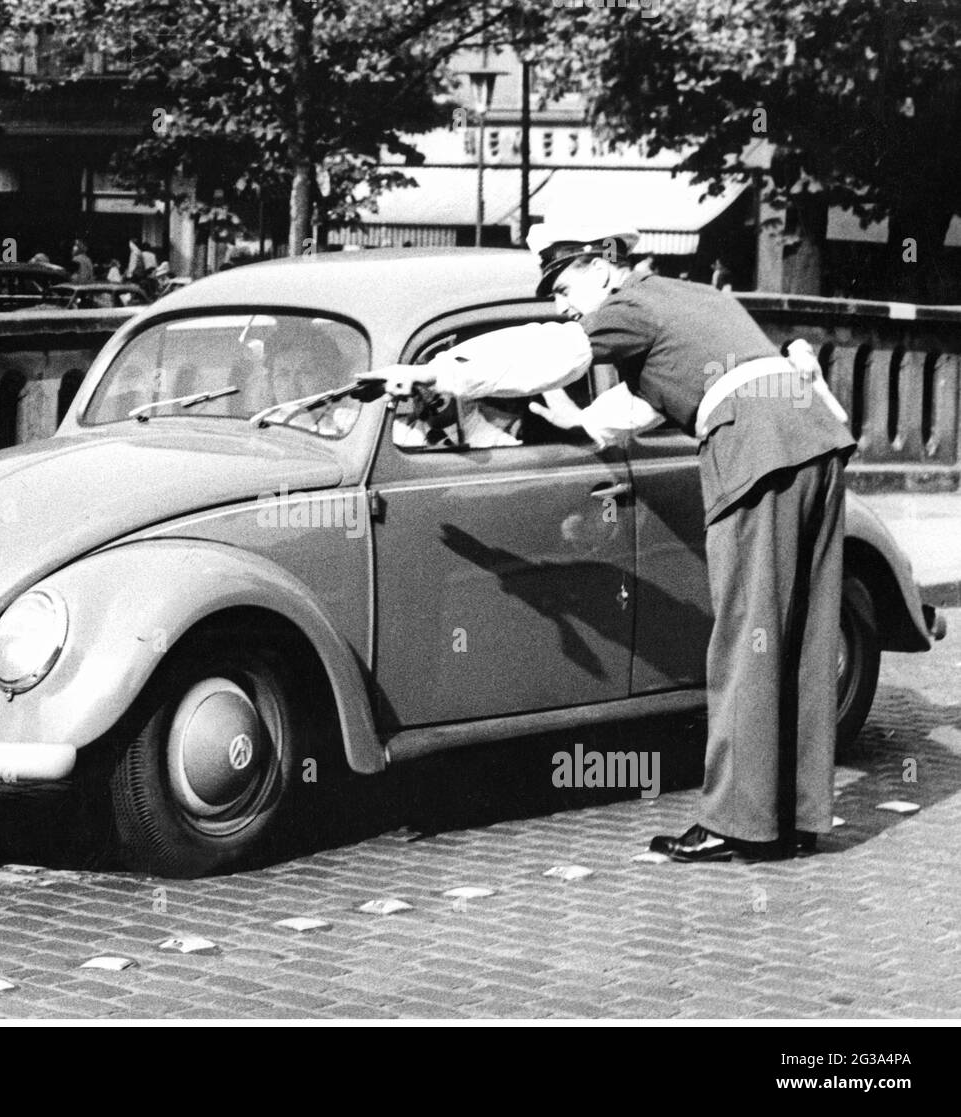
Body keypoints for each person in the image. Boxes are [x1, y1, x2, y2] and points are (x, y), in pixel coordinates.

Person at [365, 220, 856, 862]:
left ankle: (740, 824)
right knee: (803, 635)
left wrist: (438, 376)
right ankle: (797, 817)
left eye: (565, 286)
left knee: (747, 634)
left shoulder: (630, 305)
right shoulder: (692, 297)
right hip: (817, 443)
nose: (562, 303)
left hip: (757, 451)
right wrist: (582, 424)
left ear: (601, 267)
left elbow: (553, 351)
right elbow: (652, 401)